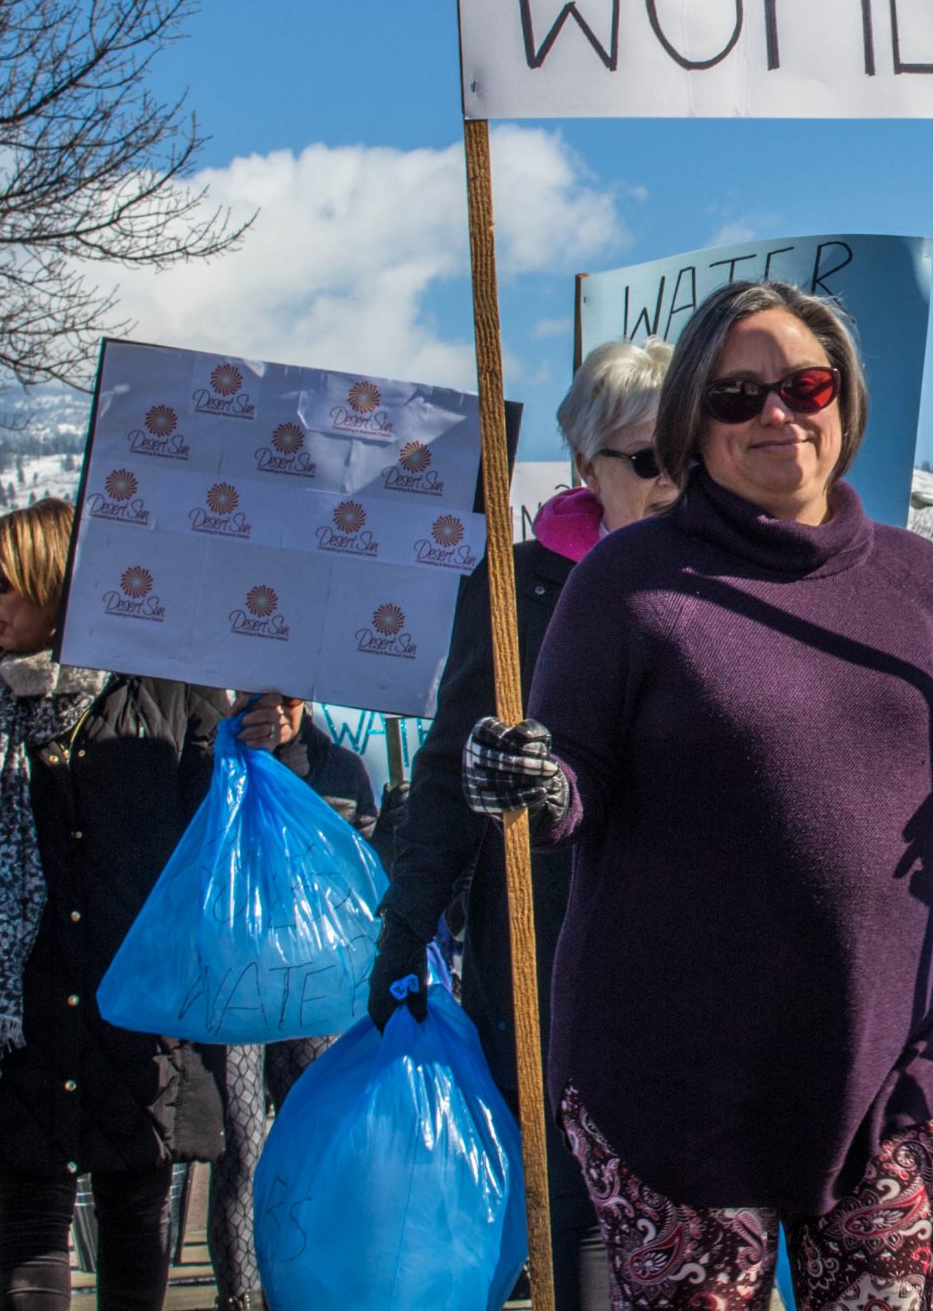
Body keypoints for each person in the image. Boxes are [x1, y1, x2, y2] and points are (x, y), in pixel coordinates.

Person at [463, 281, 933, 1311]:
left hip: (888, 1079)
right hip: (676, 1088)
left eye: (804, 384)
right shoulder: (627, 582)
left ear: (844, 403)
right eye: (737, 393)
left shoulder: (917, 579)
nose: (777, 412)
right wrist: (534, 780)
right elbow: (570, 788)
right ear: (692, 417)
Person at [369, 337, 677, 1311]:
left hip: (704, 951)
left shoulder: (734, 577)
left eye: (690, 454)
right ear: (587, 465)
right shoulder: (514, 590)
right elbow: (452, 760)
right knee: (577, 1214)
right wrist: (407, 920)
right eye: (646, 459)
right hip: (555, 946)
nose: (674, 481)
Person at [0, 498, 232, 1311]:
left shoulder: (165, 681)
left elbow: (223, 809)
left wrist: (267, 740)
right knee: (30, 1218)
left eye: (1, 582)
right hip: (24, 1013)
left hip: (135, 1005)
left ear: (57, 584)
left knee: (134, 1215)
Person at [207, 693, 379, 1311]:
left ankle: (321, 1286)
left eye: (285, 695)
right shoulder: (214, 755)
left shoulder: (343, 767)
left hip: (315, 981)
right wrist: (240, 755)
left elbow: (361, 868)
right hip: (236, 978)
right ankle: (243, 1297)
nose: (270, 706)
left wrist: (293, 761)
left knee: (320, 1142)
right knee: (241, 1146)